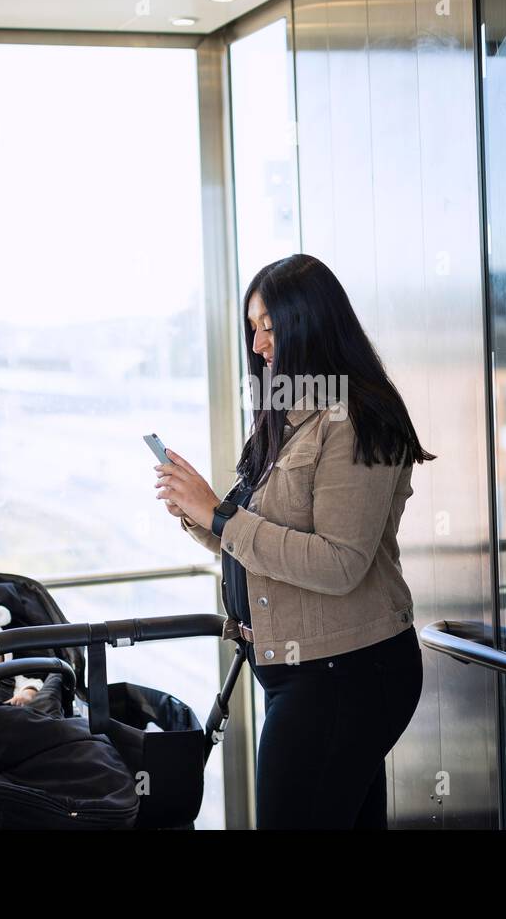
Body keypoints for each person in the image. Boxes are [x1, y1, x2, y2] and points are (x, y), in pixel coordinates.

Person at [154, 253, 433, 829]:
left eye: (269, 328)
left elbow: (339, 563)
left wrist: (219, 516)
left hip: (347, 675)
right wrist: (199, 515)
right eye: (252, 329)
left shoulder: (354, 417)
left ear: (311, 323)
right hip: (309, 673)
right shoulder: (290, 416)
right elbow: (265, 540)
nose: (257, 347)